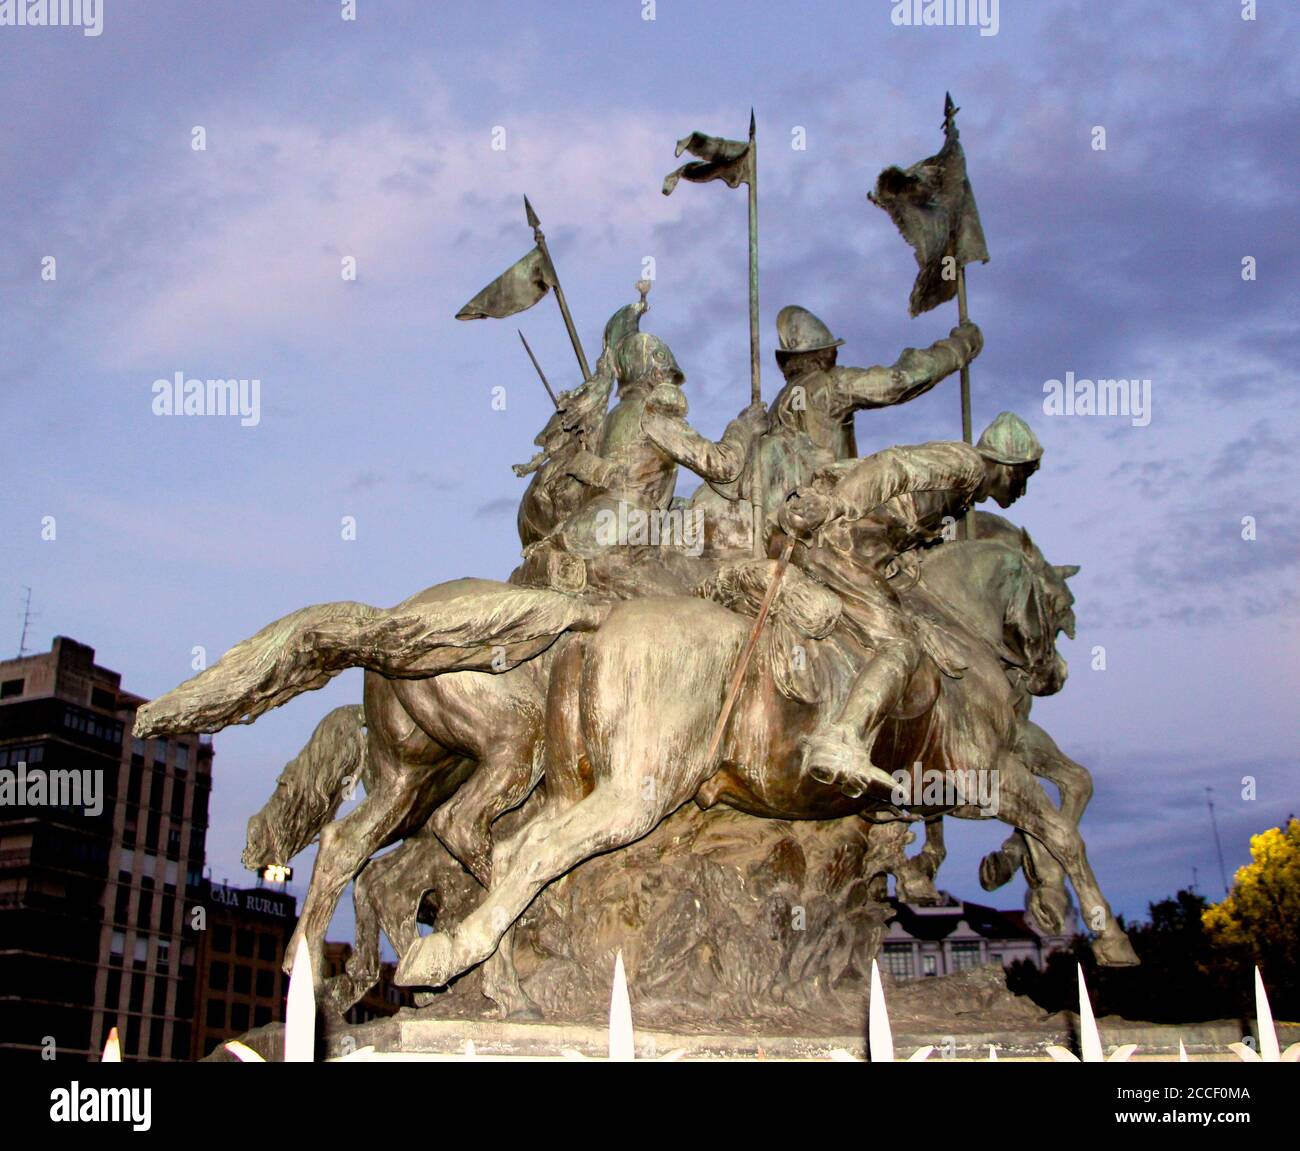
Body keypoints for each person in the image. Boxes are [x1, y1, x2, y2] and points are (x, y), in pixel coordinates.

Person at [776, 411, 1044, 796]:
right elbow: (893, 466)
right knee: (901, 644)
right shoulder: (965, 464)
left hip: (857, 555)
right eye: (1024, 476)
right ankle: (841, 739)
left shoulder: (965, 493)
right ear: (1007, 467)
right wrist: (835, 504)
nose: (1022, 489)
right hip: (838, 549)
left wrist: (898, 553)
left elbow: (897, 514)